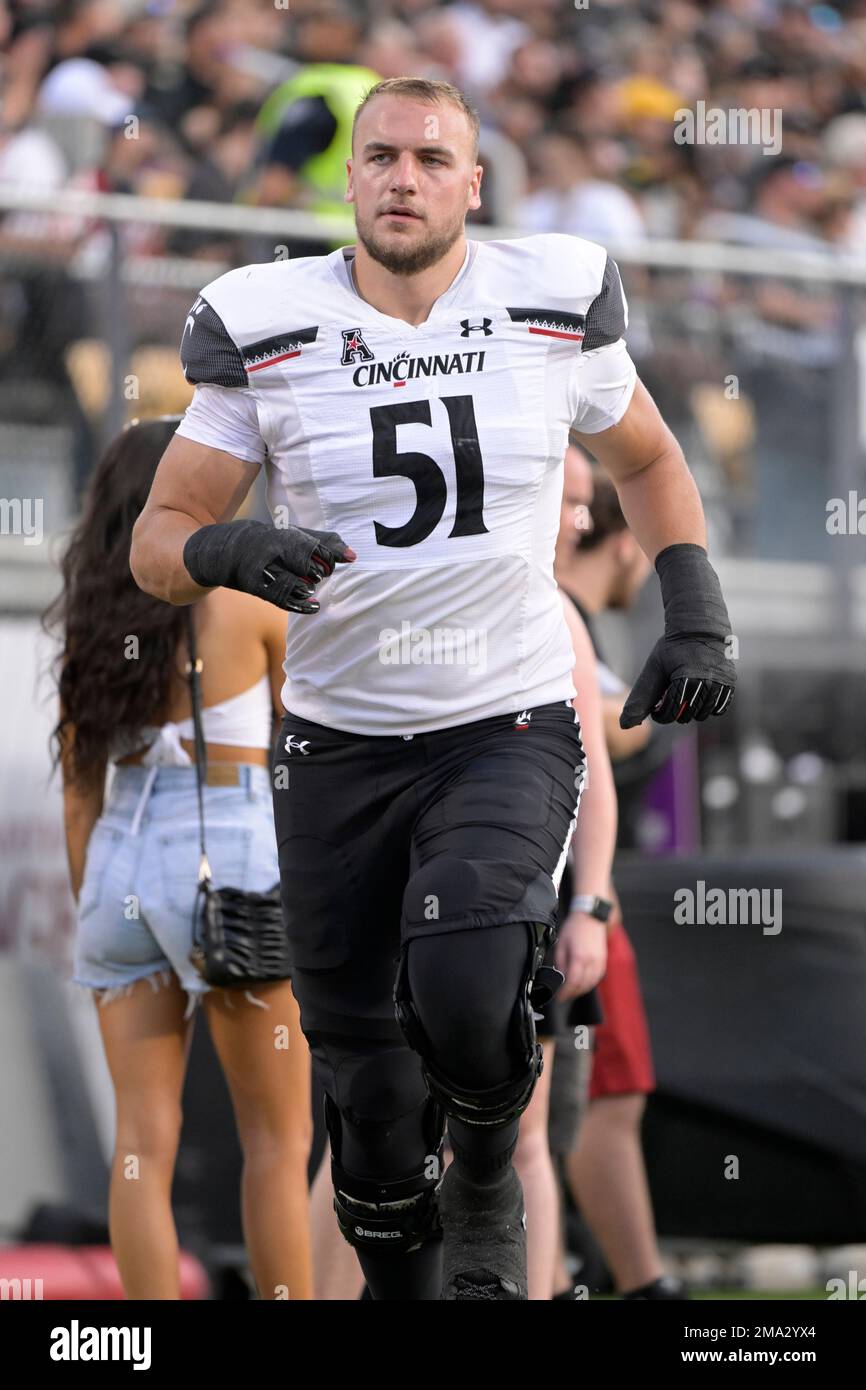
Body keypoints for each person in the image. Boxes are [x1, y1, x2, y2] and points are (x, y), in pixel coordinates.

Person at [130, 76, 737, 1301]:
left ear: (472, 181)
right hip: (338, 742)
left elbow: (654, 460)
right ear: (348, 179)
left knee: (466, 995)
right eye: (381, 157)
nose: (402, 177)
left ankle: (484, 1178)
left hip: (501, 720)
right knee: (362, 1082)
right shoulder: (268, 320)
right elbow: (156, 535)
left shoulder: (545, 298)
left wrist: (696, 616)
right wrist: (228, 548)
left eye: (430, 157)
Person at [45, 417, 313, 1301]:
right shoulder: (245, 605)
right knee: (275, 1142)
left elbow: (80, 797)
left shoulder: (91, 627)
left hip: (120, 868)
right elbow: (314, 741)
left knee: (139, 1146)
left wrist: (101, 909)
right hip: (229, 856)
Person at [554, 451, 687, 1300]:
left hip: (576, 896)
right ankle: (640, 1286)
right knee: (579, 1112)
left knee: (572, 1113)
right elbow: (602, 726)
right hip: (562, 897)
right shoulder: (554, 611)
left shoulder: (567, 616)